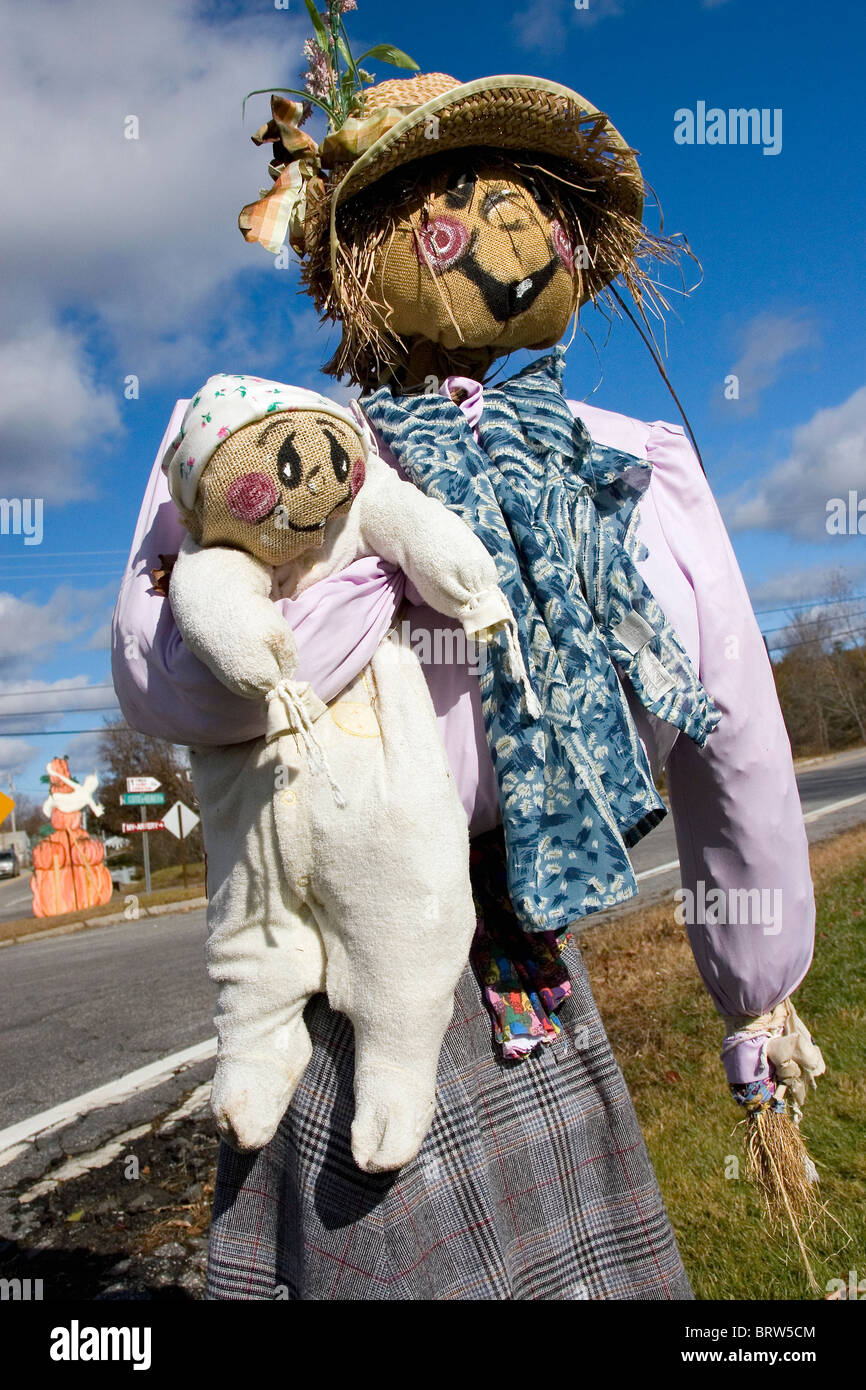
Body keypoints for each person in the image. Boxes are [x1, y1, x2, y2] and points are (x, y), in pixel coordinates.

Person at [112, 67, 816, 1301]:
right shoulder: (288, 459)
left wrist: (754, 995)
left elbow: (734, 734)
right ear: (360, 261)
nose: (487, 222)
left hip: (524, 949)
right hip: (341, 961)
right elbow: (181, 688)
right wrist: (377, 540)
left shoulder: (629, 468)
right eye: (435, 197)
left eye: (514, 196)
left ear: (567, 241)